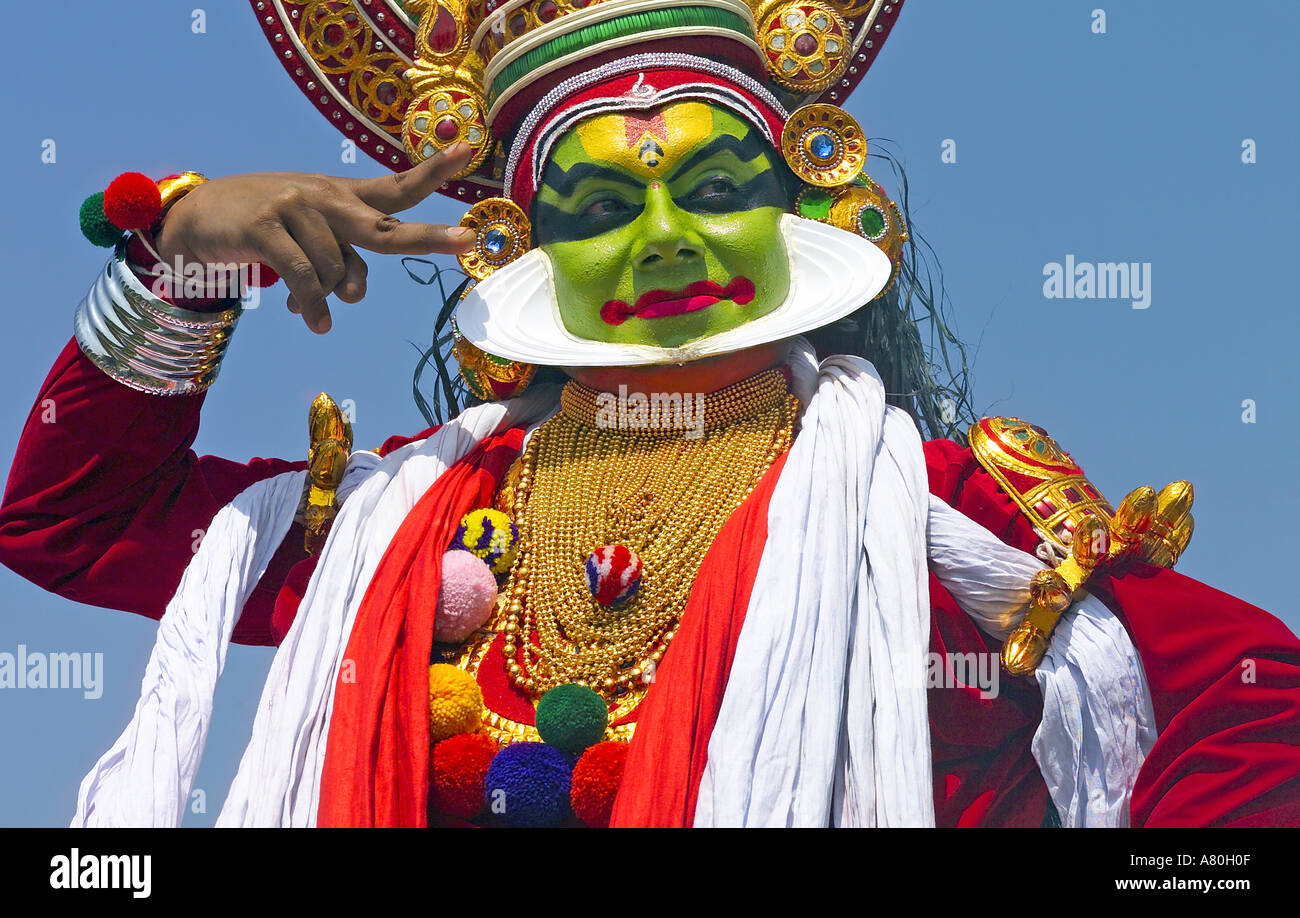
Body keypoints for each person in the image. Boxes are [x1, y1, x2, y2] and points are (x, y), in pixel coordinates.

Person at [2, 0, 1298, 828]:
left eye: (713, 183)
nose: (668, 240)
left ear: (798, 213)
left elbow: (1254, 700)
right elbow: (75, 519)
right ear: (524, 251)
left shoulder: (936, 513)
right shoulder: (413, 527)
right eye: (605, 208)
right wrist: (181, 262)